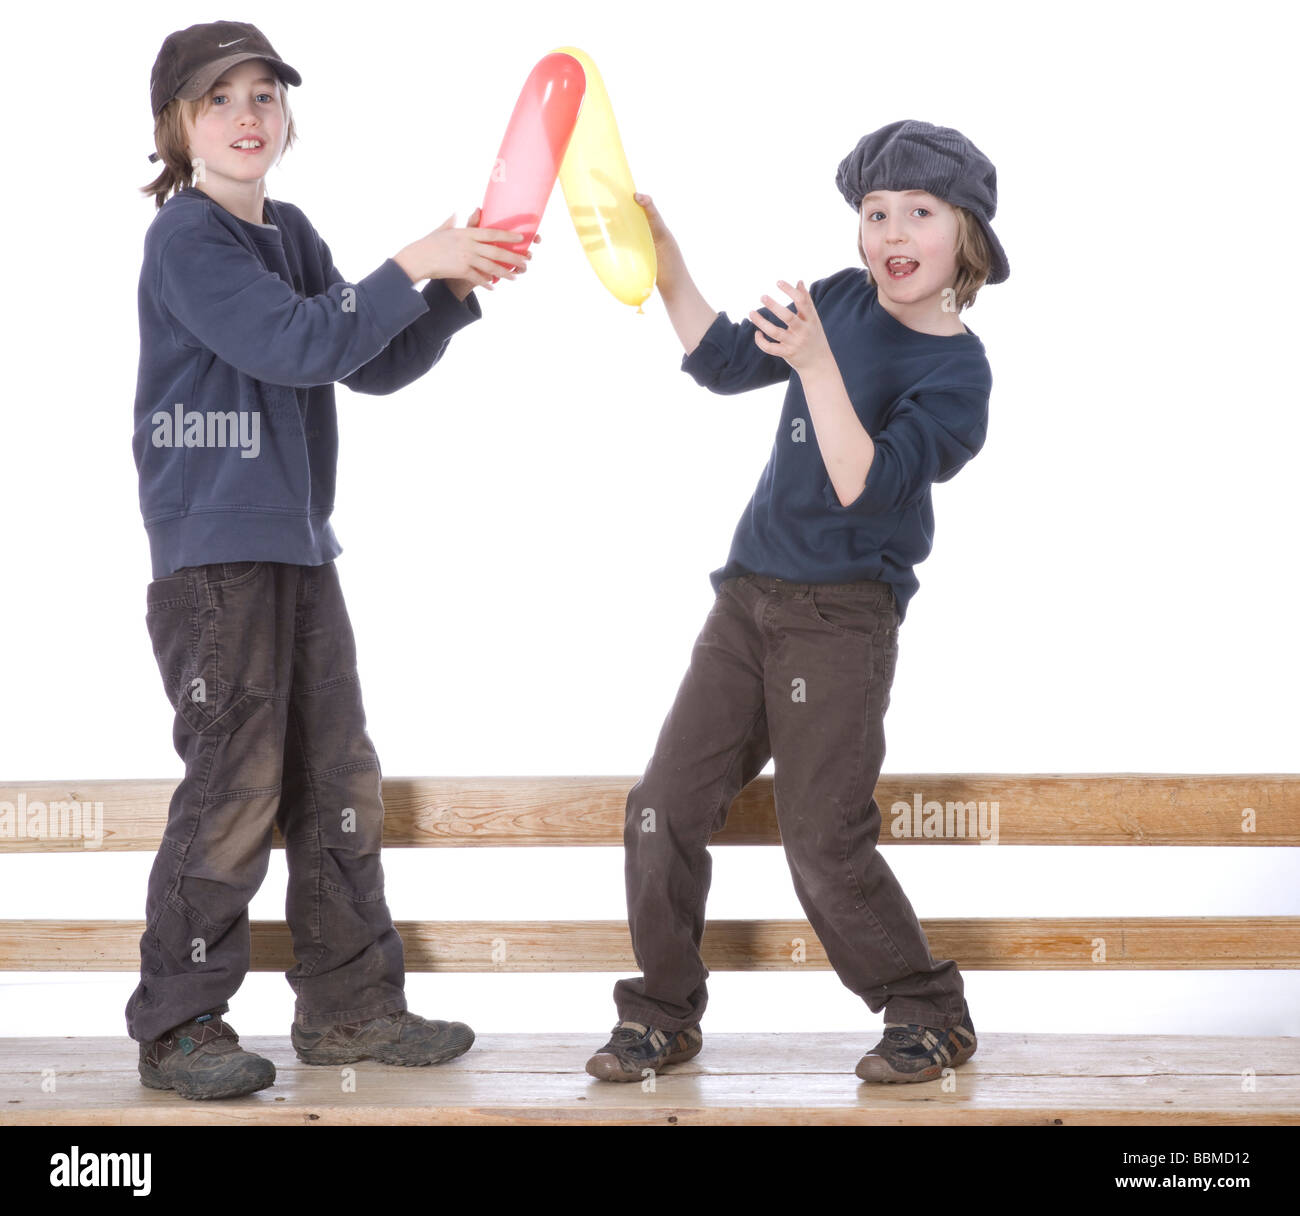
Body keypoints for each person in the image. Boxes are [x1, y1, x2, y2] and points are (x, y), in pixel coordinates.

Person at [127, 20, 536, 1100]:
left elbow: (363, 358)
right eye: (220, 99)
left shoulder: (291, 232)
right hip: (216, 561)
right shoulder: (186, 239)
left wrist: (453, 284)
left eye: (263, 95)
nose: (247, 116)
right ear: (178, 125)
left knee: (335, 777)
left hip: (301, 550)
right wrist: (413, 260)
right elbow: (297, 343)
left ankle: (351, 1006)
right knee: (234, 782)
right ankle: (180, 1023)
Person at [585, 119, 1009, 1085]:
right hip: (747, 605)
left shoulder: (958, 371)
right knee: (659, 808)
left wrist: (818, 366)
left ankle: (927, 1010)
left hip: (842, 620)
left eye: (919, 211)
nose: (890, 230)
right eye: (874, 211)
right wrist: (669, 268)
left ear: (966, 233)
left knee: (821, 836)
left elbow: (866, 482)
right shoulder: (843, 301)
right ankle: (661, 1012)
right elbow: (725, 360)